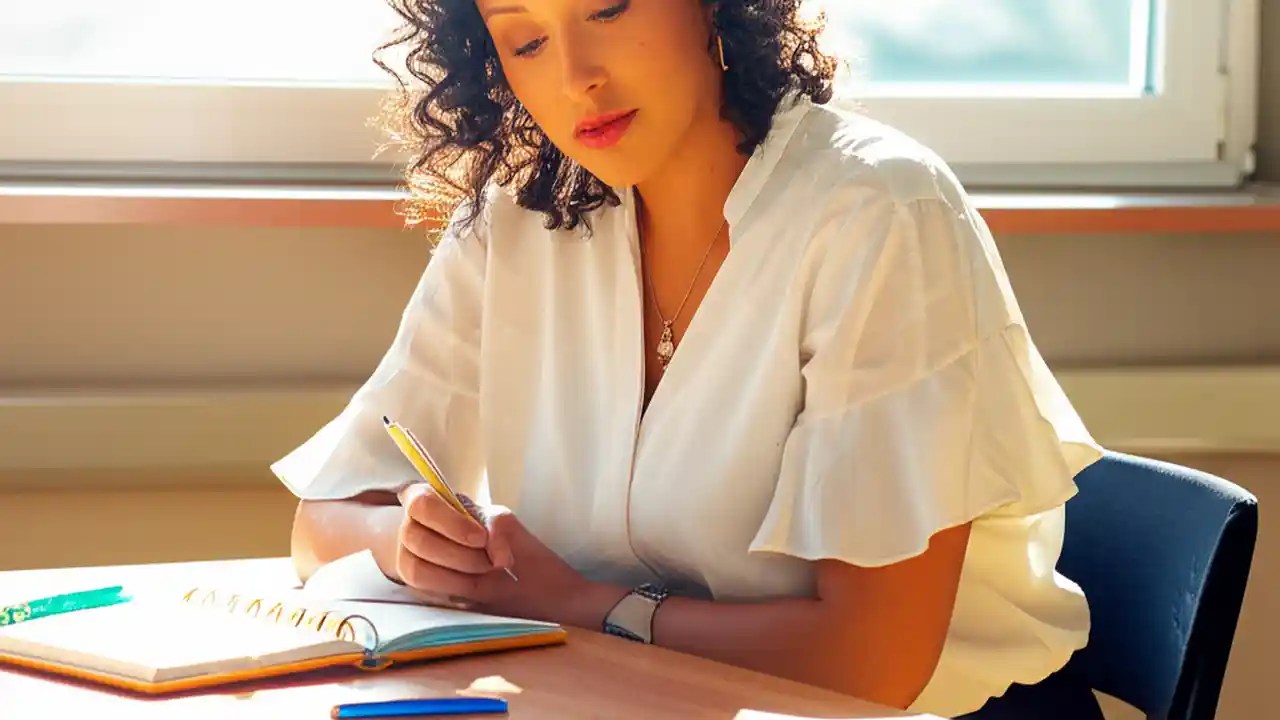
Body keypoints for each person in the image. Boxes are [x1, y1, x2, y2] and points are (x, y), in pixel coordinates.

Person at [271, 1, 1105, 717]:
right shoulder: (517, 218)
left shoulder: (879, 211)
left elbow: (871, 665)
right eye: (526, 42)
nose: (576, 79)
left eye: (608, 10)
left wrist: (582, 607)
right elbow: (323, 523)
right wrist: (401, 540)